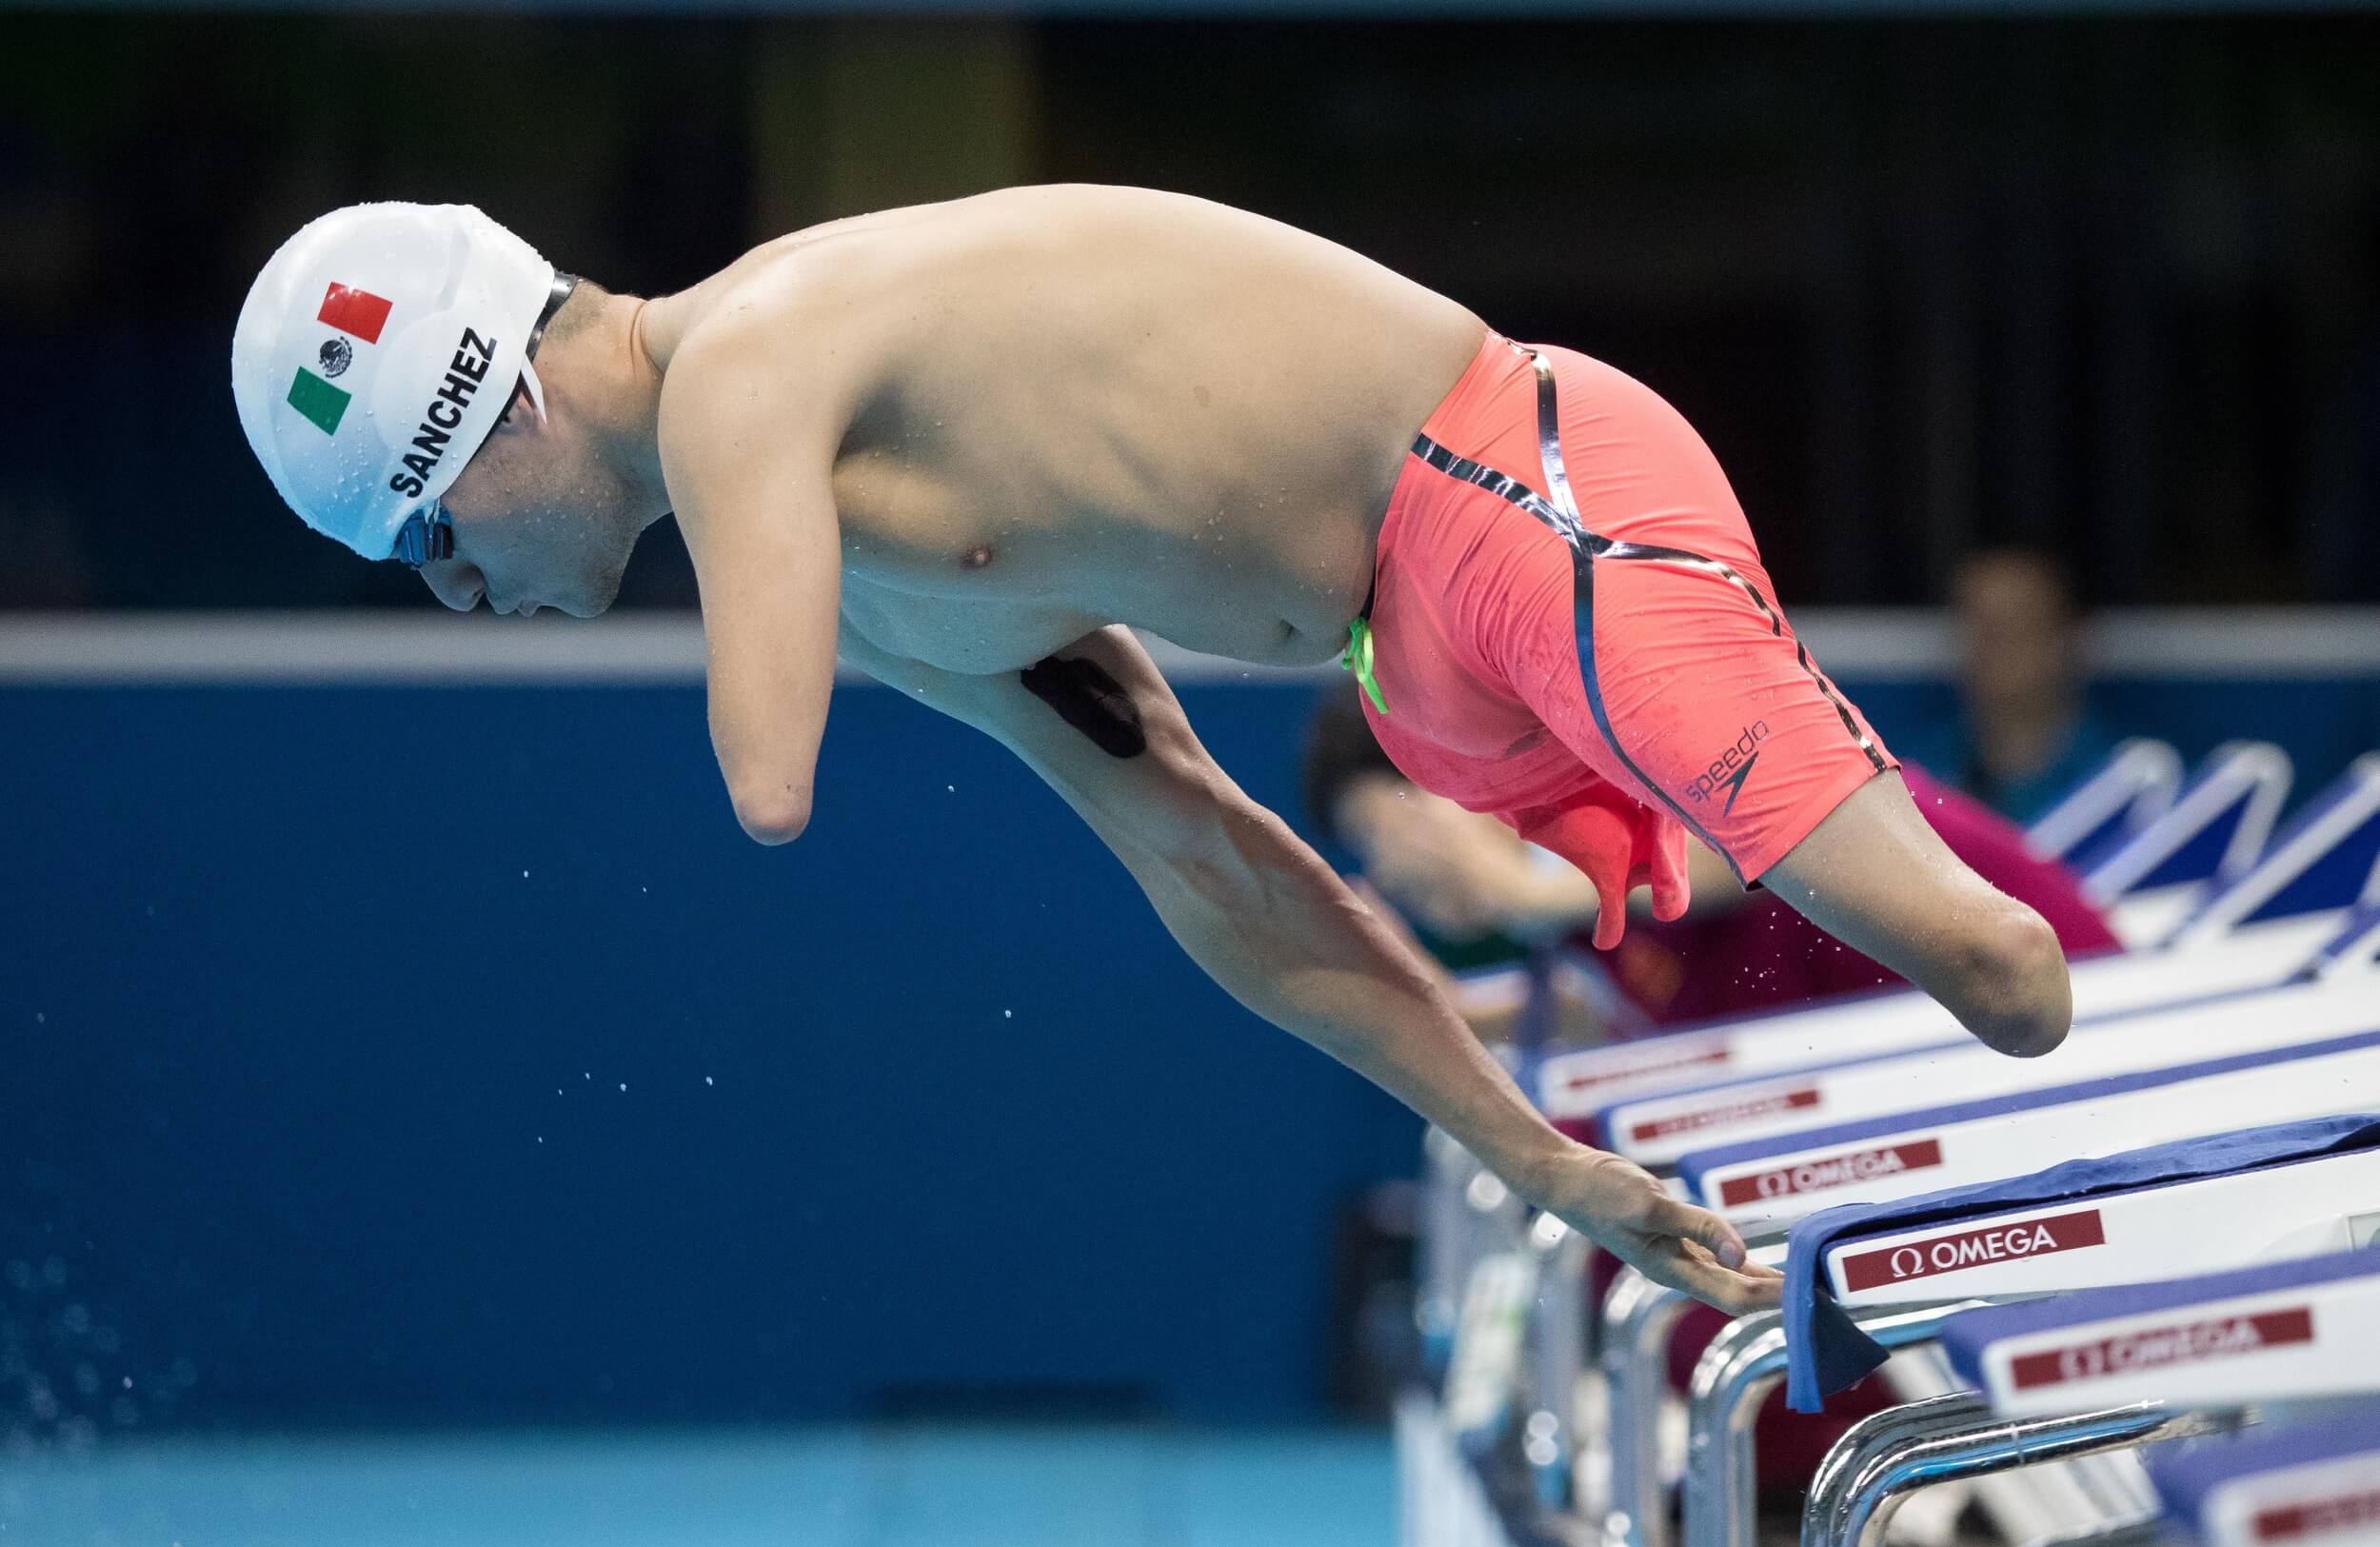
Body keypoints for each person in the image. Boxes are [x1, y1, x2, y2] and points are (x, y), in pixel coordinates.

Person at [230, 188, 2073, 1315]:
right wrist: (1537, 1158)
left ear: (503, 410)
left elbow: (766, 787)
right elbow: (1203, 855)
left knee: (2001, 976)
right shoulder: (863, 583)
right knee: (1865, 956)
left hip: (1521, 498)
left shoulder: (747, 369)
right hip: (1408, 670)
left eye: (428, 543)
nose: (463, 598)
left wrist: (739, 552)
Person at [1303, 684, 2121, 1029]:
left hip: (2085, 1023)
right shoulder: (1580, 886)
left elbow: (1748, 847)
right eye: (1373, 847)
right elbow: (1628, 1002)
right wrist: (1451, 1004)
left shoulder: (1649, 776)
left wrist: (1510, 888)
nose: (1401, 869)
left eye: (1398, 828)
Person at [1894, 545, 2121, 823]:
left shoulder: (2120, 777)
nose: (1995, 644)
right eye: (1979, 623)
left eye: (2018, 622)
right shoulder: (1916, 779)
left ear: (2067, 637)